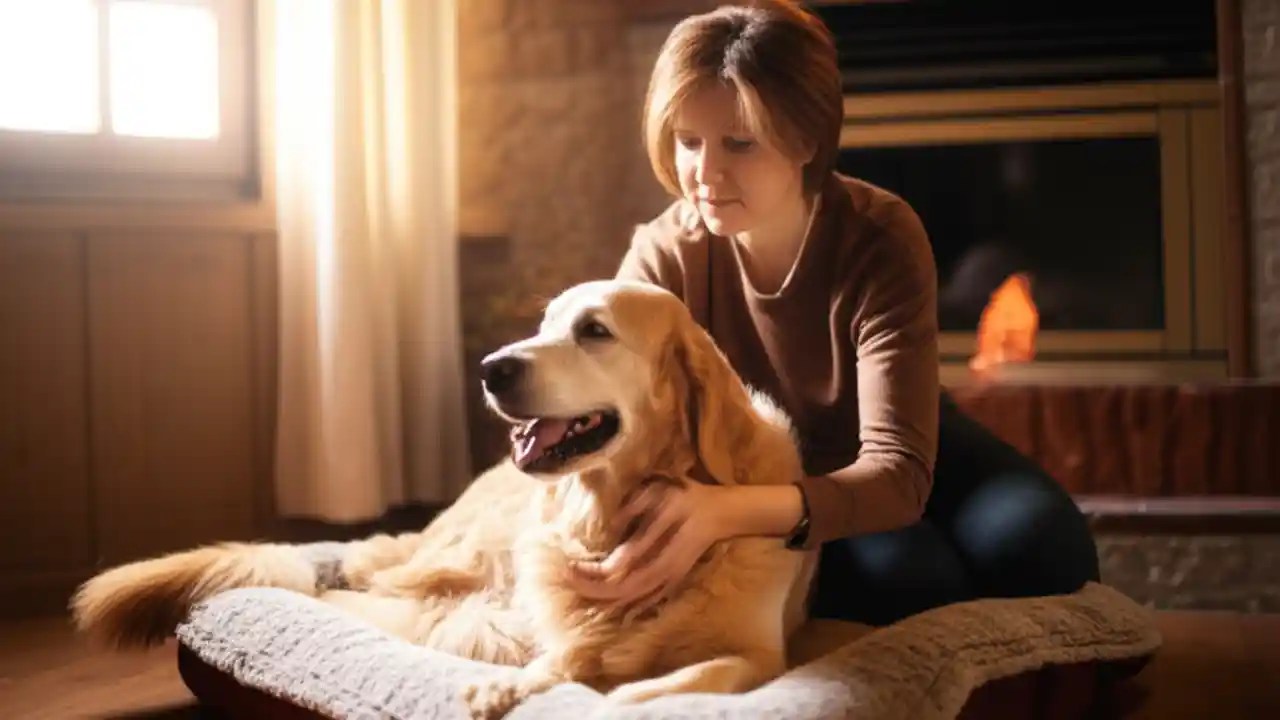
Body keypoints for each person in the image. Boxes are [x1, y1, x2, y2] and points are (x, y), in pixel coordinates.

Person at [567, 0, 1100, 626]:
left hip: (893, 444)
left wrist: (722, 513)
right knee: (915, 585)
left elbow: (897, 473)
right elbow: (621, 420)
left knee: (1047, 552)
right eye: (688, 142)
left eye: (738, 143)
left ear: (805, 140)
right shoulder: (664, 257)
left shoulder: (880, 234)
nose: (704, 173)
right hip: (756, 472)